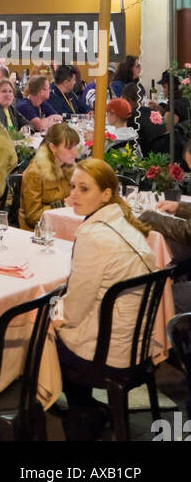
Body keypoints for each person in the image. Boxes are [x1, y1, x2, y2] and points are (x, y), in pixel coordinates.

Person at [52, 159, 156, 438]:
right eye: (73, 186)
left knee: (40, 336)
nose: (73, 195)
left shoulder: (94, 234)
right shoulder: (124, 225)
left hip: (108, 355)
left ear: (106, 194)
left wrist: (51, 317)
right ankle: (87, 409)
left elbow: (74, 308)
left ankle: (82, 413)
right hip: (136, 346)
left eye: (84, 189)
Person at [19, 123, 80, 230]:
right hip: (38, 232)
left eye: (76, 146)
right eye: (69, 148)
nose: (75, 152)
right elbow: (33, 216)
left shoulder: (70, 169)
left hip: (64, 224)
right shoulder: (35, 173)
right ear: (53, 147)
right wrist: (62, 205)